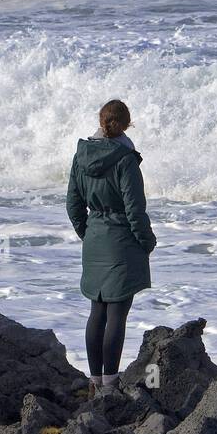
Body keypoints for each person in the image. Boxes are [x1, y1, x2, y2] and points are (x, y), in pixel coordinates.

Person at [65, 100, 156, 396]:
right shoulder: (125, 158)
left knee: (97, 311)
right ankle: (110, 384)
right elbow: (134, 210)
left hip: (95, 238)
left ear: (101, 121)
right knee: (117, 313)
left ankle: (95, 381)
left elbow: (73, 205)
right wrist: (146, 242)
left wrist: (88, 233)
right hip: (121, 241)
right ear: (127, 125)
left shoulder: (82, 155)